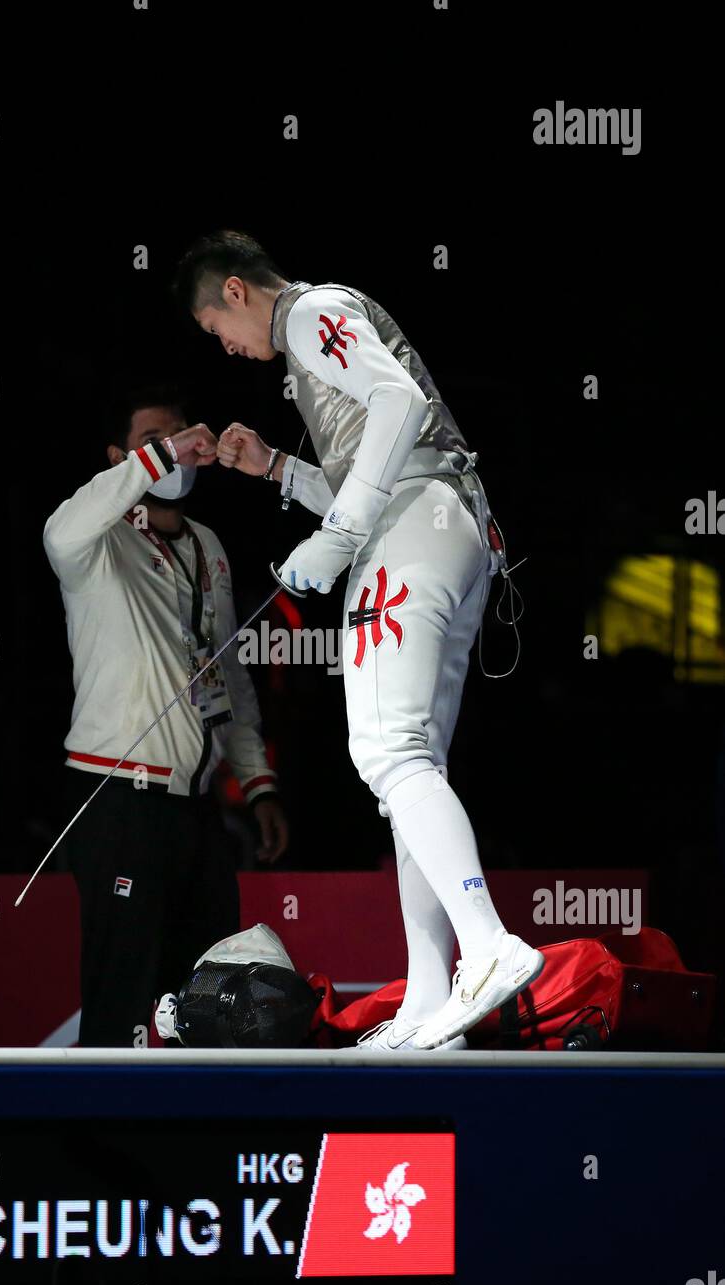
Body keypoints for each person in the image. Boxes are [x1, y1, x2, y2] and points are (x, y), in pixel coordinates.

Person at [173, 231, 544, 1052]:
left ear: (236, 291)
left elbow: (400, 408)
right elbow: (379, 455)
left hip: (415, 530)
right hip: (448, 527)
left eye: (215, 329)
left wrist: (338, 536)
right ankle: (429, 995)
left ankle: (487, 945)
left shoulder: (311, 310)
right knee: (411, 767)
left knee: (386, 751)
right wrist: (276, 468)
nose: (228, 350)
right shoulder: (316, 346)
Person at [43, 384, 289, 1047]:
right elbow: (59, 531)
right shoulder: (97, 542)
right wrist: (152, 461)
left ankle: (194, 1134)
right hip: (118, 799)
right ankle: (99, 1135)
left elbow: (226, 672)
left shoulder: (208, 544)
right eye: (154, 442)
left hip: (196, 806)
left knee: (208, 995)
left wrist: (257, 781)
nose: (175, 453)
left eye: (182, 437)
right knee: (122, 995)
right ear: (119, 456)